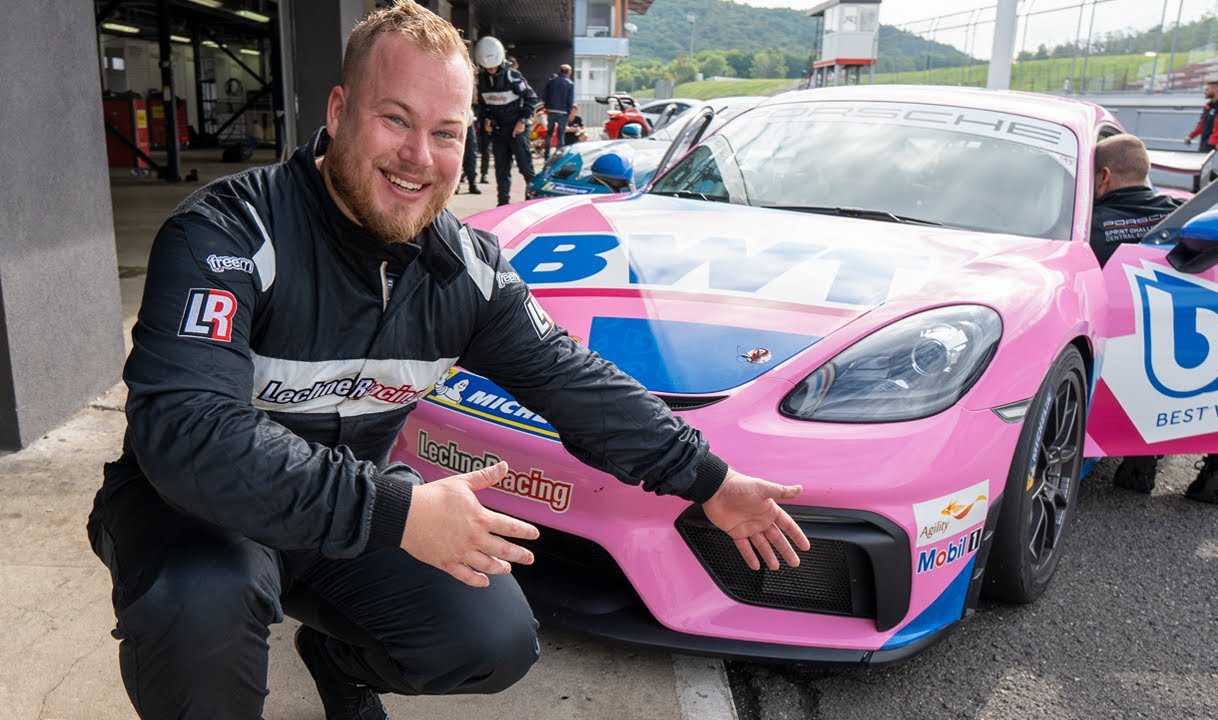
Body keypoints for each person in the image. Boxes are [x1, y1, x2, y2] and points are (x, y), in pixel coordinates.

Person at [84, 3, 811, 719]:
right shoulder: (228, 232)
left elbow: (570, 379)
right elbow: (189, 434)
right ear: (338, 112)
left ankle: (337, 661)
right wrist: (395, 511)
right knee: (202, 600)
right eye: (395, 119)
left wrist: (708, 478)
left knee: (492, 641)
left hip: (349, 512)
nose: (419, 157)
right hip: (197, 511)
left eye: (446, 133)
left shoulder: (467, 272)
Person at [1090, 134, 1218, 504]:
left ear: (1104, 176)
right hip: (1193, 357)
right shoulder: (1189, 223)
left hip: (1117, 359)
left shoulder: (1088, 227)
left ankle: (1140, 452)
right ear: (1146, 173)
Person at [474, 36, 538, 206]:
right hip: (498, 132)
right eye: (487, 67)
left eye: (493, 66)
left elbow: (532, 99)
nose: (491, 69)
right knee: (501, 172)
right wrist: (486, 119)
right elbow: (483, 104)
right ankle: (503, 205)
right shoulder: (482, 80)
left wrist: (523, 121)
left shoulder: (513, 76)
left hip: (517, 129)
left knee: (526, 168)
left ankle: (533, 201)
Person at [1184, 80, 1218, 153]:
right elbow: (1202, 124)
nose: (1205, 92)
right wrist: (1191, 136)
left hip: (1213, 142)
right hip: (1204, 140)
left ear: (1215, 89)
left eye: (1207, 89)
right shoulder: (1208, 106)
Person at [542, 64, 574, 157]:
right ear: (569, 72)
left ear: (560, 71)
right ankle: (558, 156)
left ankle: (546, 155)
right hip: (563, 112)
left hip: (551, 110)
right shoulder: (569, 83)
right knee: (561, 135)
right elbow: (570, 100)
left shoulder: (551, 82)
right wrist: (568, 110)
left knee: (549, 133)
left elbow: (545, 96)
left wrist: (547, 107)